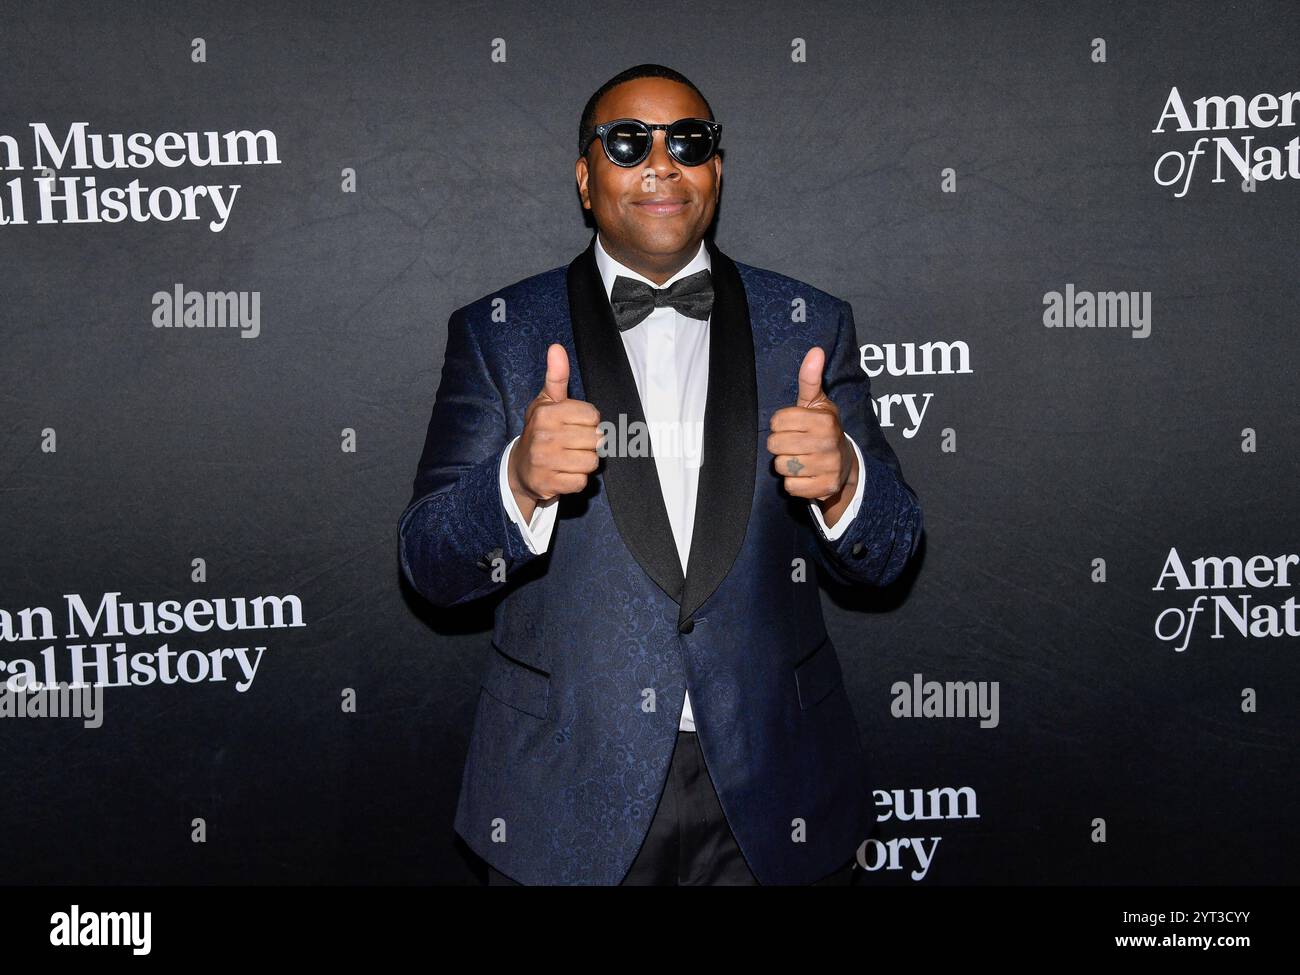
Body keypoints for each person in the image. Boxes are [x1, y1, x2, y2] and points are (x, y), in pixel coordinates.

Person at [398, 63, 923, 885]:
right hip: (564, 793)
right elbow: (428, 561)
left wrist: (846, 480)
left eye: (688, 142)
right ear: (585, 176)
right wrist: (518, 484)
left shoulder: (809, 326)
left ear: (716, 166)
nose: (660, 163)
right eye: (627, 142)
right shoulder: (498, 334)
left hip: (774, 785)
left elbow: (892, 553)